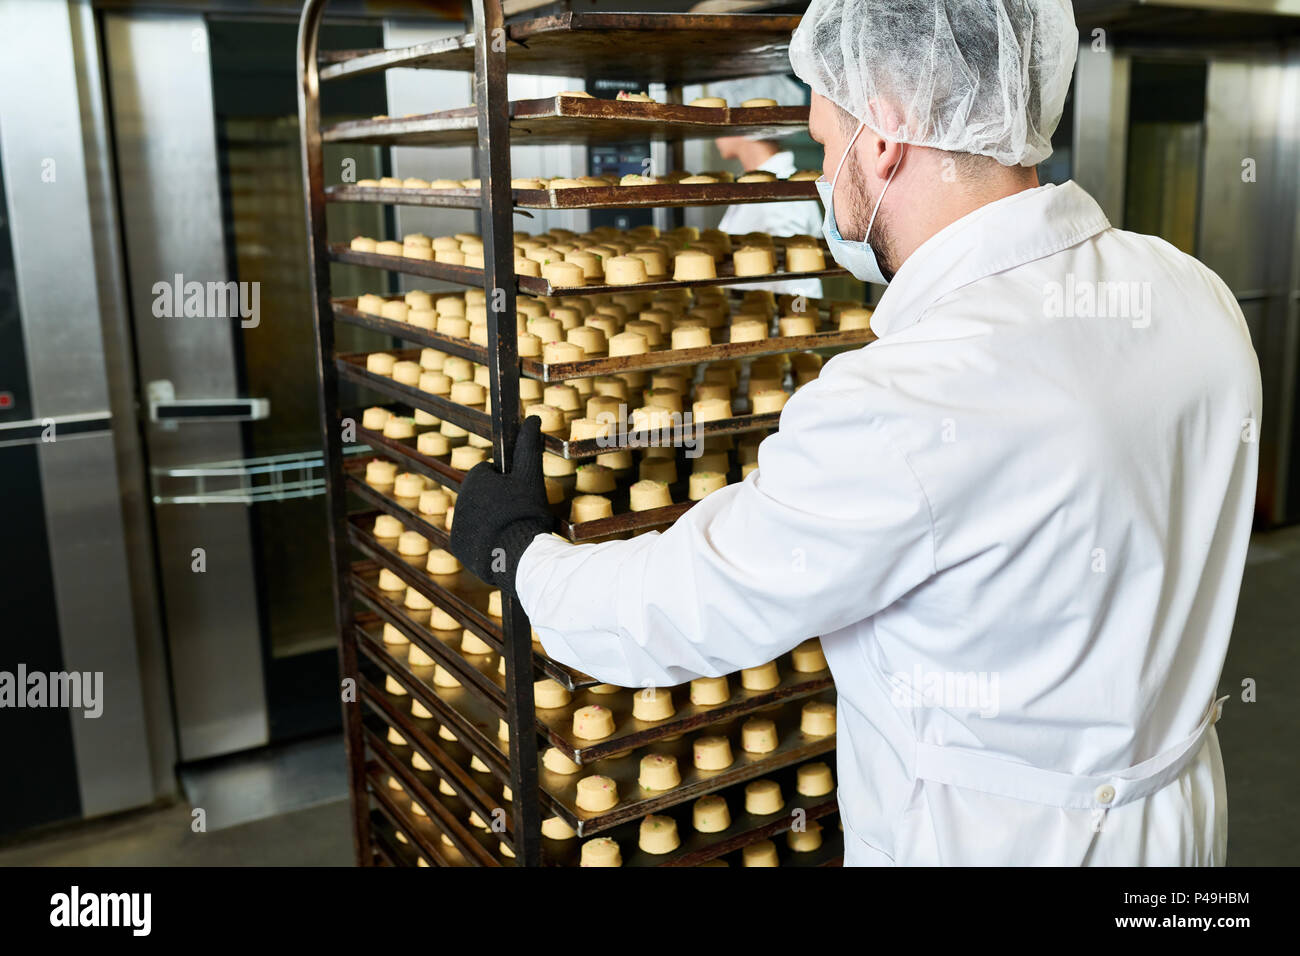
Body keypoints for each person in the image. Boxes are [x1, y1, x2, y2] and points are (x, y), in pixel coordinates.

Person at [451, 0, 1261, 865]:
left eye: (824, 144)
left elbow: (689, 603)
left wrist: (525, 553)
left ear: (883, 137)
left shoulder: (908, 396)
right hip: (1179, 830)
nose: (822, 175)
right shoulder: (1191, 293)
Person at [708, 76, 824, 298]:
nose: (714, 126)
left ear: (745, 119)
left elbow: (799, 287)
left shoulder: (781, 197)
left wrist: (795, 321)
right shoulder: (759, 184)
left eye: (722, 112)